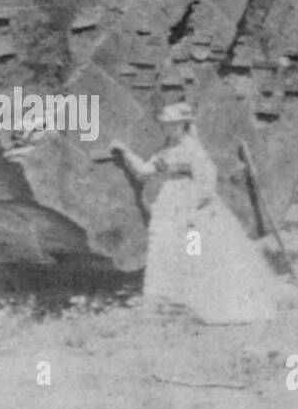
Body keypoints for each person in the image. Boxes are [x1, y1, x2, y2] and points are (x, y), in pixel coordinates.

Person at [111, 102, 277, 325]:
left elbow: (208, 187)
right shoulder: (167, 151)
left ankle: (202, 306)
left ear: (181, 125)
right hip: (169, 210)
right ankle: (175, 309)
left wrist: (192, 215)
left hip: (192, 214)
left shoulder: (193, 151)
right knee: (168, 253)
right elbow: (144, 171)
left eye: (170, 125)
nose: (166, 129)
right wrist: (124, 151)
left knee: (194, 254)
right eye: (164, 125)